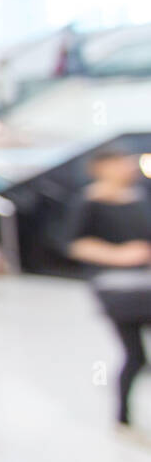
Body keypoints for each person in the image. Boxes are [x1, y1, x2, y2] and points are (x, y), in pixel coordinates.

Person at [65, 145, 151, 438]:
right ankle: (122, 417)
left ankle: (123, 417)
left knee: (137, 357)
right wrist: (121, 255)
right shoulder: (88, 202)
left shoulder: (138, 198)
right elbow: (74, 244)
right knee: (135, 355)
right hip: (117, 287)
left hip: (143, 280)